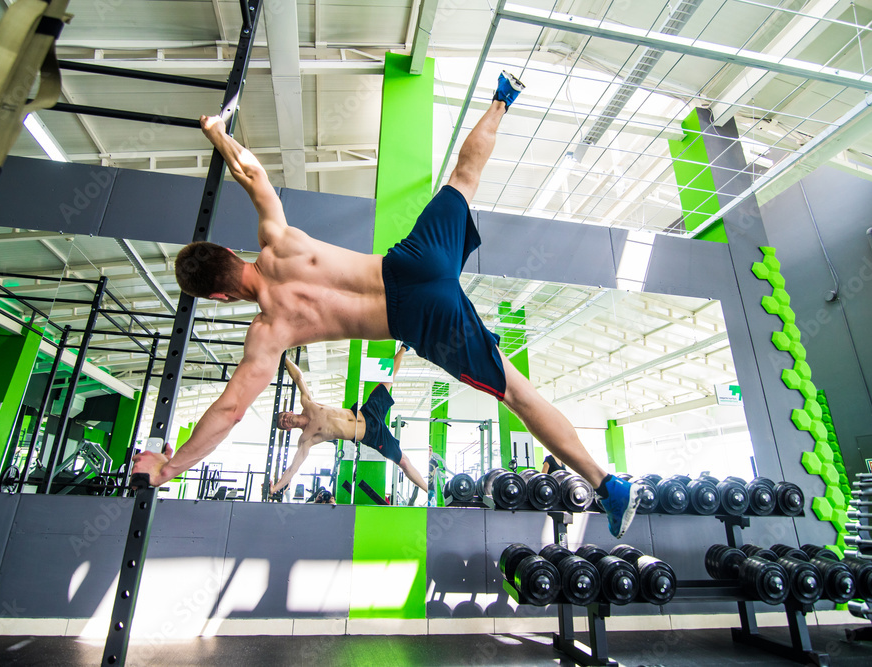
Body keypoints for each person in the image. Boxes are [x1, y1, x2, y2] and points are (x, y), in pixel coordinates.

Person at [134, 71, 641, 538]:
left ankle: (606, 485)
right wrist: (218, 134)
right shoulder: (277, 241)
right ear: (227, 252)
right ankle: (503, 99)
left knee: (517, 396)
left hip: (417, 320)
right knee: (463, 180)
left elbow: (228, 411)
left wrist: (168, 469)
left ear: (219, 297)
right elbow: (251, 173)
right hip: (412, 263)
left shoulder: (269, 335)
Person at [269, 343, 427, 493]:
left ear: (289, 412)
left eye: (283, 416)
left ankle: (404, 347)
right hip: (371, 435)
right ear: (288, 428)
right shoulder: (306, 439)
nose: (285, 420)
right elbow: (292, 469)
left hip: (367, 412)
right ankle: (429, 491)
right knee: (403, 462)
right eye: (283, 424)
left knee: (387, 379)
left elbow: (298, 377)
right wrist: (276, 488)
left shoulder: (308, 403)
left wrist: (284, 357)